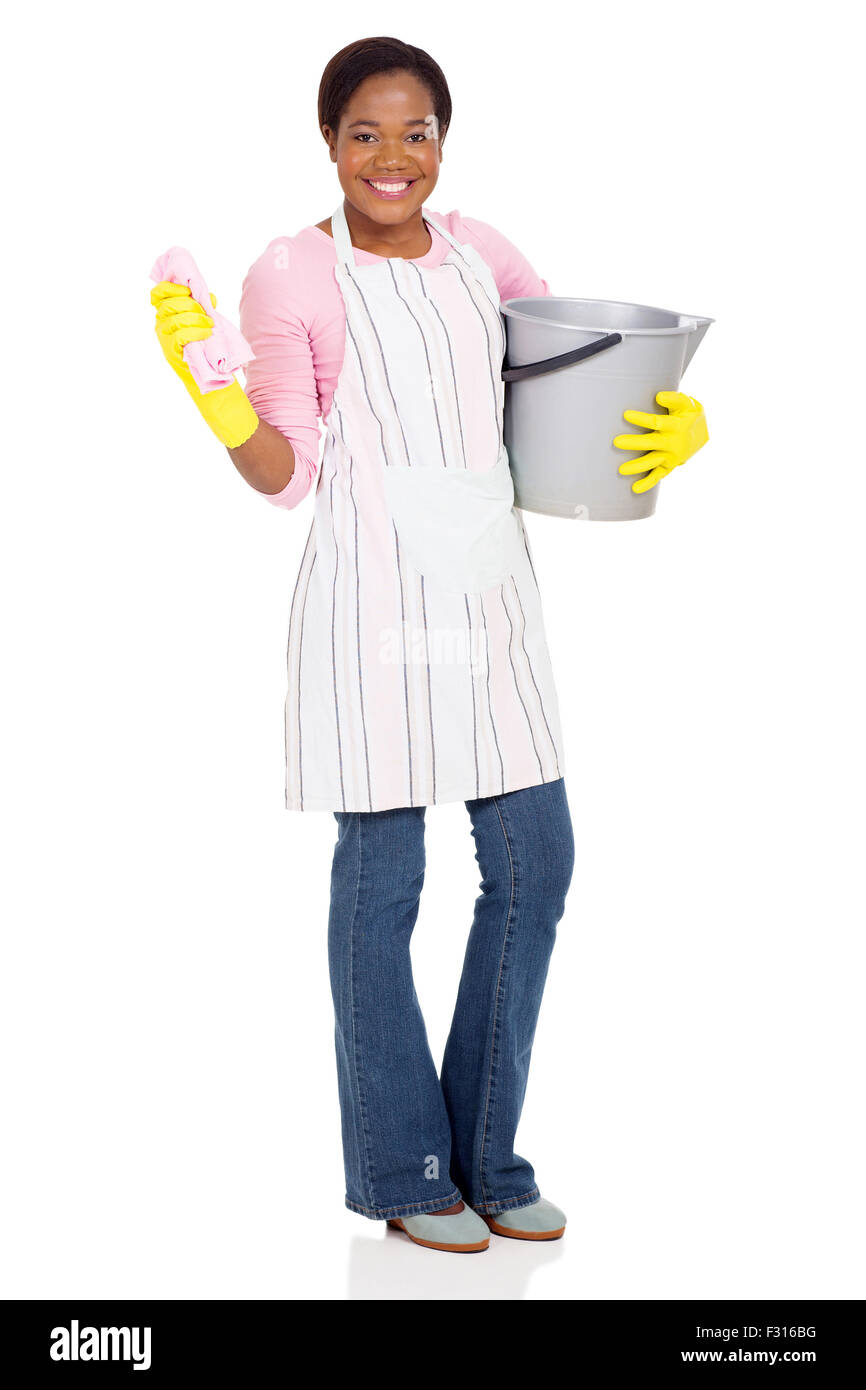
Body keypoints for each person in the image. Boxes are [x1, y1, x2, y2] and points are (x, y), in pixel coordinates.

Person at [150, 36, 708, 1254]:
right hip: (369, 611)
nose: (389, 158)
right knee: (385, 882)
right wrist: (220, 402)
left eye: (413, 134)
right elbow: (285, 476)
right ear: (329, 143)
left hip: (490, 599)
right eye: (363, 134)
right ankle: (405, 1169)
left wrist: (661, 422)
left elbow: (560, 398)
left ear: (441, 143)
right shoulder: (293, 272)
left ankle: (486, 1153)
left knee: (534, 866)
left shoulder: (480, 255)